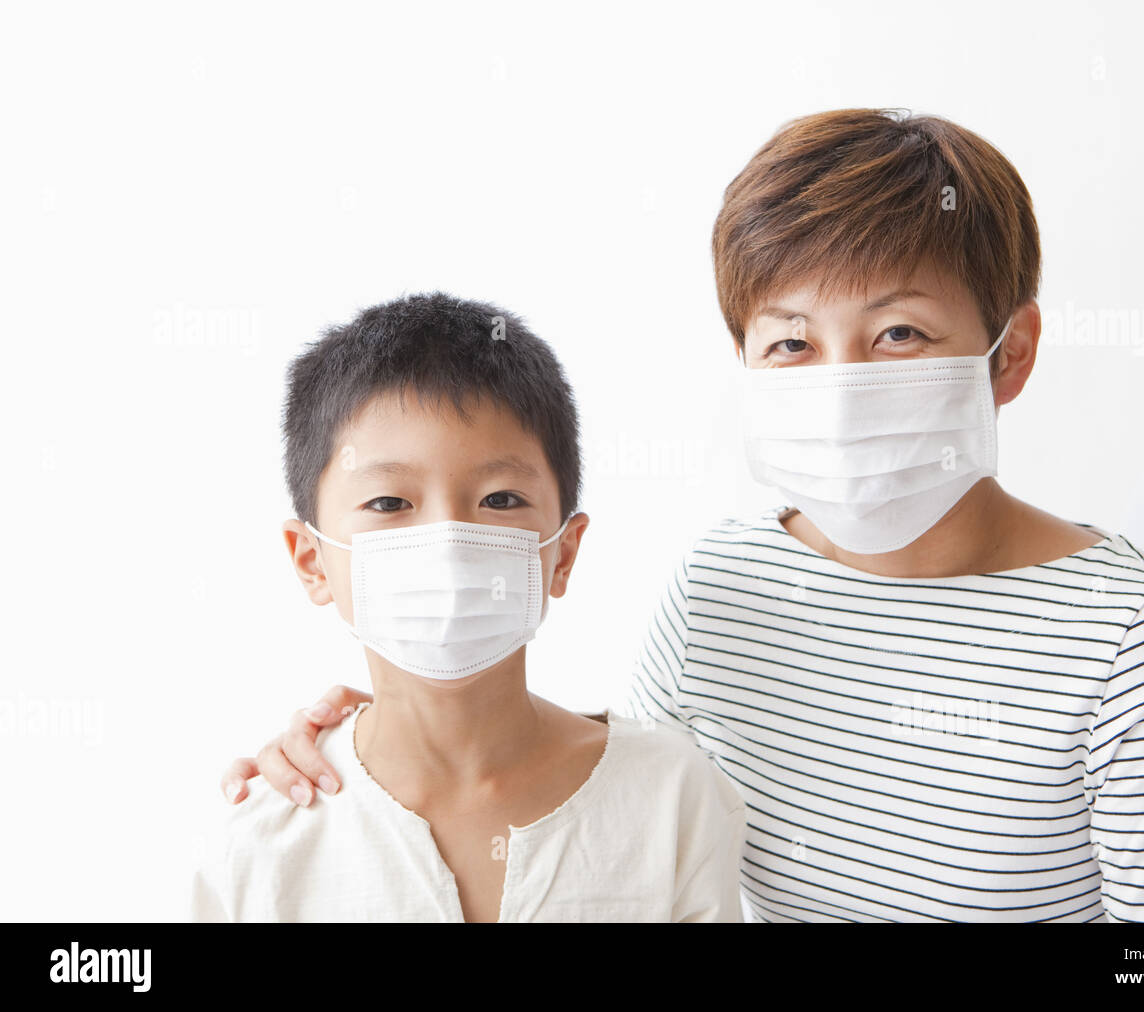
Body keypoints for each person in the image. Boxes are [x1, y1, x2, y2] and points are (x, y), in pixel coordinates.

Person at [220, 110, 1144, 922]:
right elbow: (615, 795)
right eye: (792, 342)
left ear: (1010, 354)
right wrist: (378, 746)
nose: (842, 380)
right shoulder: (722, 587)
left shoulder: (1133, 638)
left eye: (897, 332)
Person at [191, 292, 746, 922]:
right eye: (388, 502)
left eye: (501, 499)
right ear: (312, 559)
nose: (450, 540)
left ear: (562, 554)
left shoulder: (672, 800)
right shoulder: (261, 840)